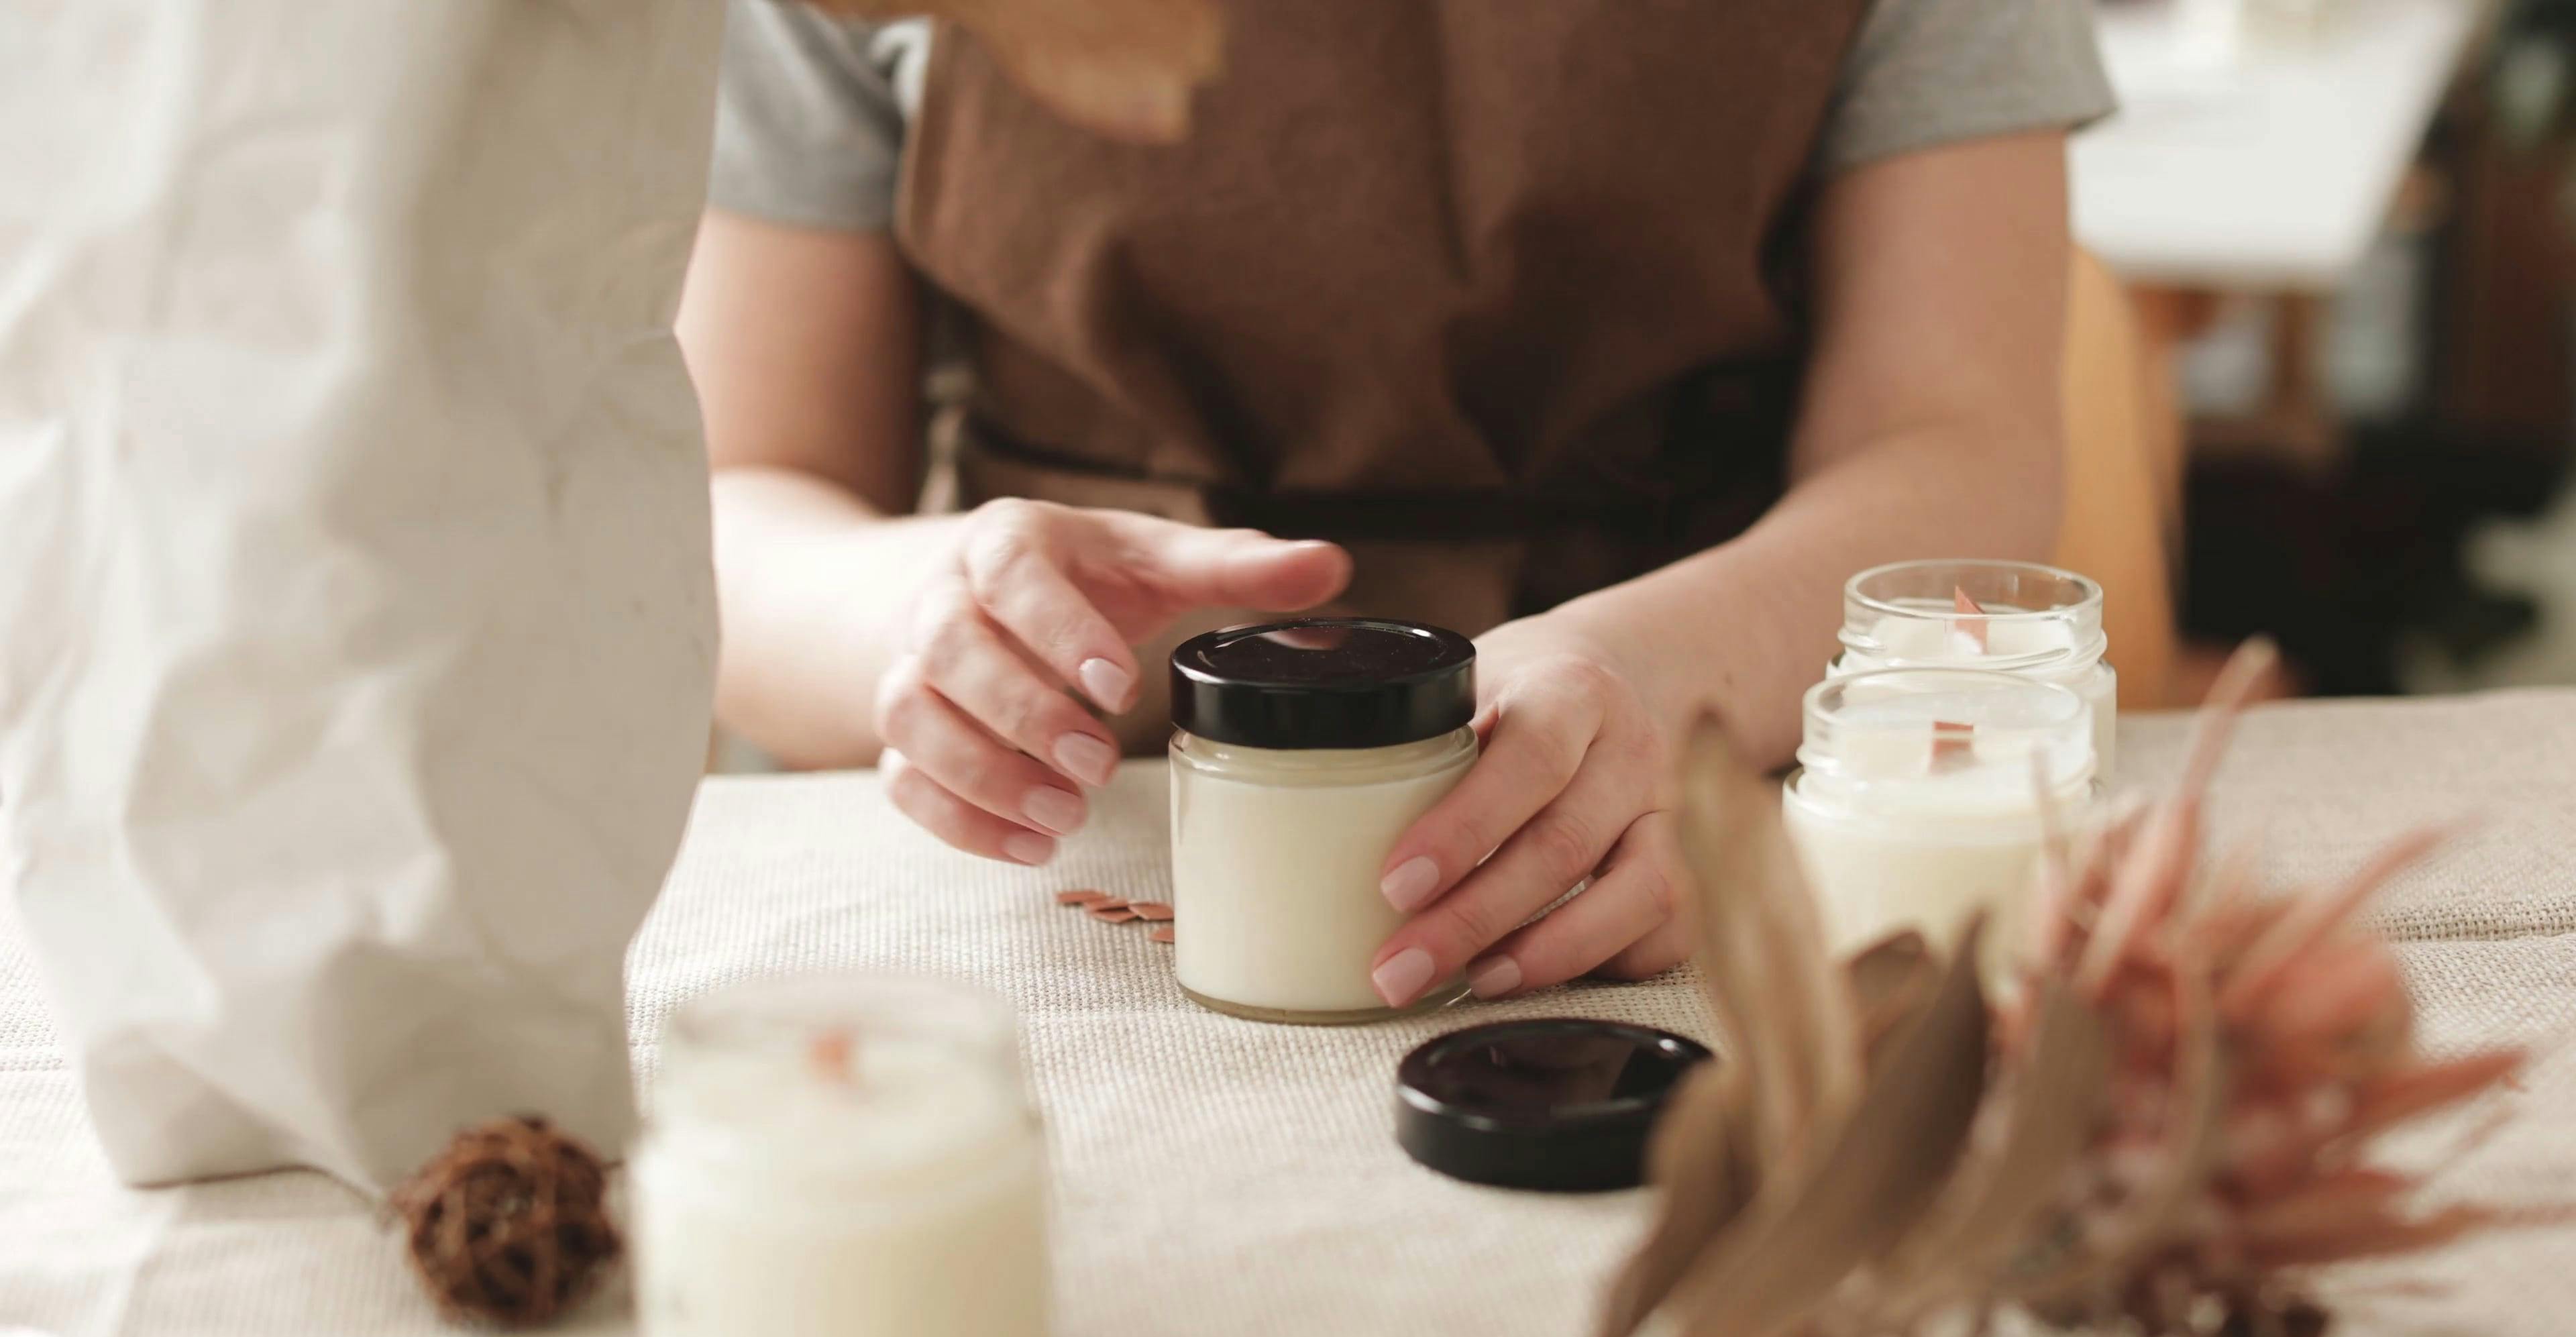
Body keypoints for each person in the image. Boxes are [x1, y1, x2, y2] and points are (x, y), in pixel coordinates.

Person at [677, 0, 2115, 1009]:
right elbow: (735, 506)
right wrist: (935, 619)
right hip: (1066, 866)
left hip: (1683, 833)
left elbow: (1954, 442)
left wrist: (1678, 672)